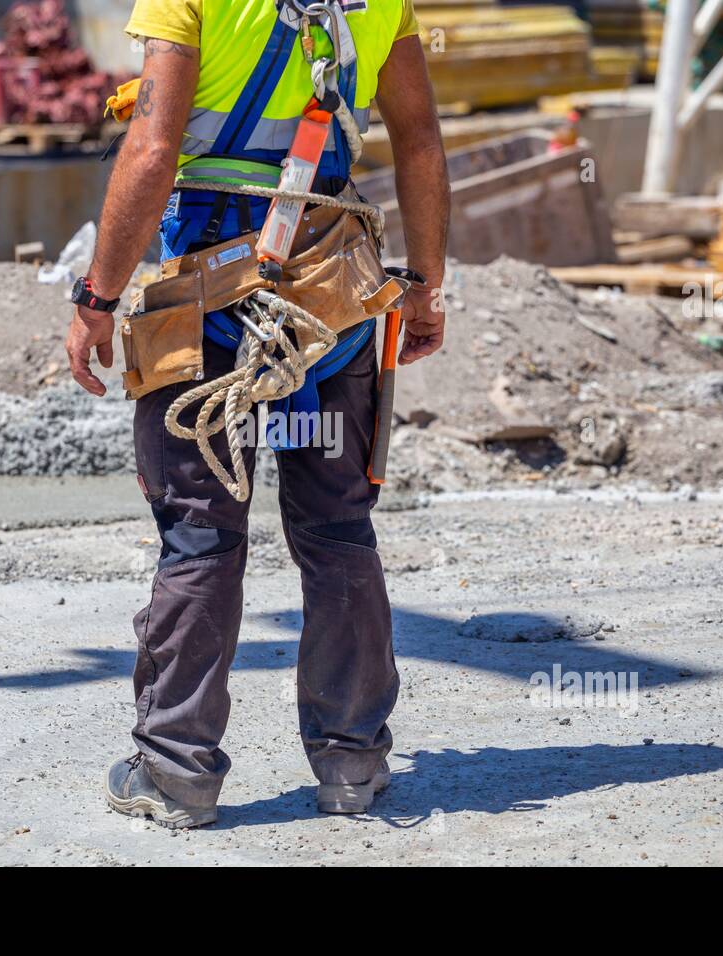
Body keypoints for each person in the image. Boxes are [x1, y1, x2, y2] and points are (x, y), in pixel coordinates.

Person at [65, 0, 450, 828]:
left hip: (206, 300)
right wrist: (424, 283)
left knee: (201, 530)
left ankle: (175, 771)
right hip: (331, 296)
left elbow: (155, 146)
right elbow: (418, 137)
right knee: (338, 525)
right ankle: (350, 761)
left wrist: (96, 295)